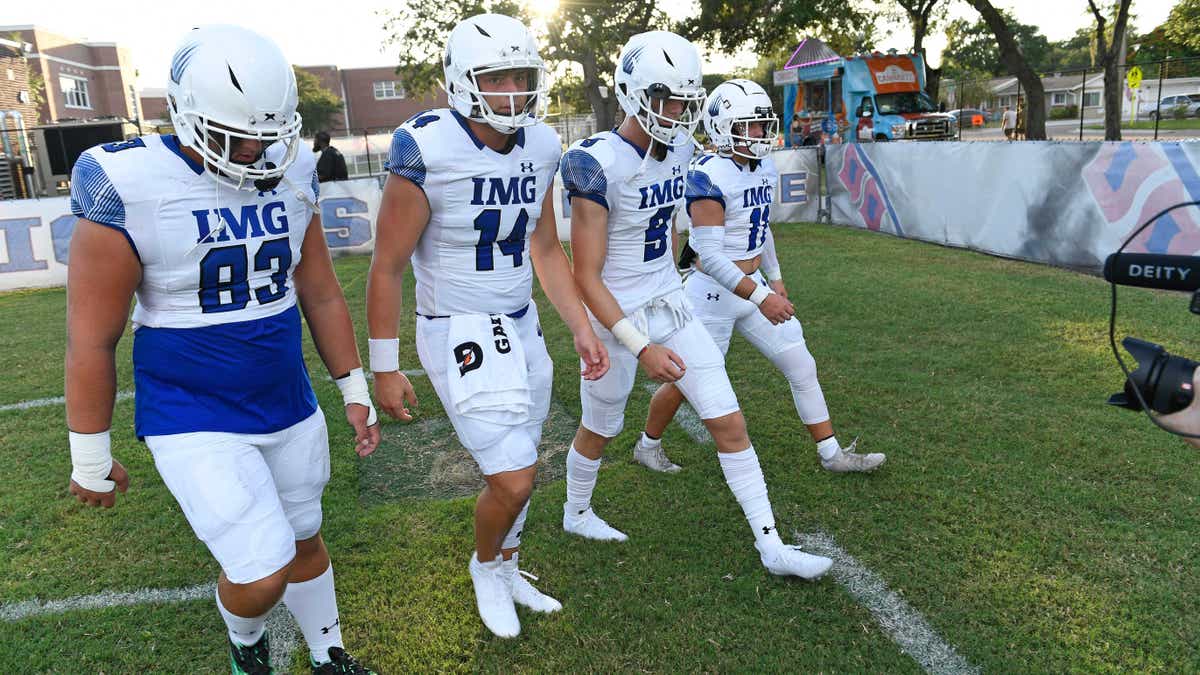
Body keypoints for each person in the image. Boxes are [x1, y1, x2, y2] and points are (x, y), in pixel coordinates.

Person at [65, 25, 378, 674]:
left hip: (285, 397)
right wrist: (89, 452)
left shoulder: (293, 169)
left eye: (269, 133)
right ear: (185, 114)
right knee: (261, 570)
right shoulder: (130, 181)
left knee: (305, 536)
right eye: (236, 134)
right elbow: (93, 336)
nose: (257, 151)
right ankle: (245, 641)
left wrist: (352, 387)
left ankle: (328, 653)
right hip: (192, 408)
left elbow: (319, 290)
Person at [366, 13, 608, 639]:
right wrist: (384, 366)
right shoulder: (426, 145)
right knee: (514, 477)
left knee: (524, 460)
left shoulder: (542, 145)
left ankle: (508, 564)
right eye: (496, 78)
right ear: (462, 80)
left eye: (520, 77)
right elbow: (387, 265)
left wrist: (580, 326)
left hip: (521, 323)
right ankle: (484, 567)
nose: (513, 92)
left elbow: (545, 247)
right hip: (458, 327)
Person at [558, 31, 833, 580]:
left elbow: (690, 222)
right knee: (600, 426)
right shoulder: (595, 162)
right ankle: (577, 512)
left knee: (728, 420)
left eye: (685, 101)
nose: (677, 113)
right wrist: (640, 348)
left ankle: (772, 546)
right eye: (666, 100)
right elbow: (584, 275)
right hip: (614, 312)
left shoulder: (685, 150)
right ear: (633, 92)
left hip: (671, 300)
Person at [633, 78, 885, 477]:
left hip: (753, 288)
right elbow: (711, 256)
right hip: (711, 294)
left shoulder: (762, 166)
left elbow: (760, 226)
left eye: (763, 124)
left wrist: (775, 277)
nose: (759, 133)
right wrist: (761, 297)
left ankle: (831, 453)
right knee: (683, 381)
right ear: (722, 127)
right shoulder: (708, 176)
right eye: (749, 125)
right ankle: (647, 446)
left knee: (801, 365)